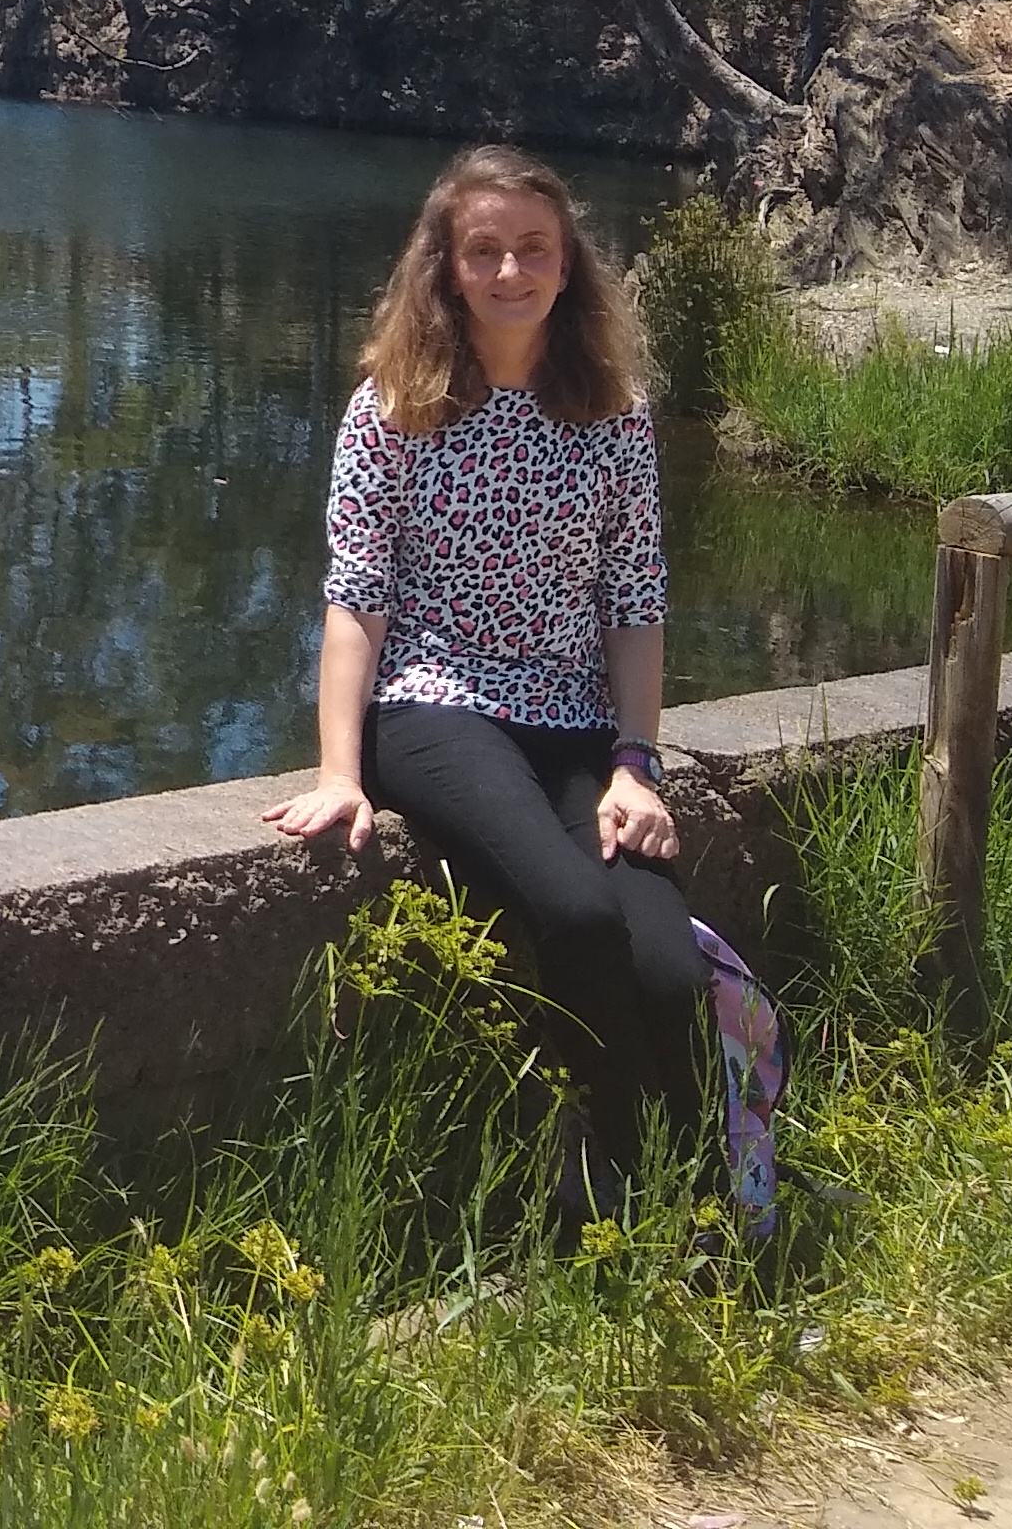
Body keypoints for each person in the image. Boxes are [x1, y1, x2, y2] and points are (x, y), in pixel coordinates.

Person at [261, 144, 712, 1221]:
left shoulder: (612, 413)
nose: (510, 271)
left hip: (574, 719)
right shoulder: (394, 406)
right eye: (484, 251)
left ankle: (709, 1188)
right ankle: (620, 1179)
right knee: (572, 910)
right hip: (433, 705)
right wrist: (338, 770)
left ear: (567, 268)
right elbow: (354, 598)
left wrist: (636, 765)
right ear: (445, 268)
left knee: (668, 973)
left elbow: (634, 598)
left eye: (532, 250)